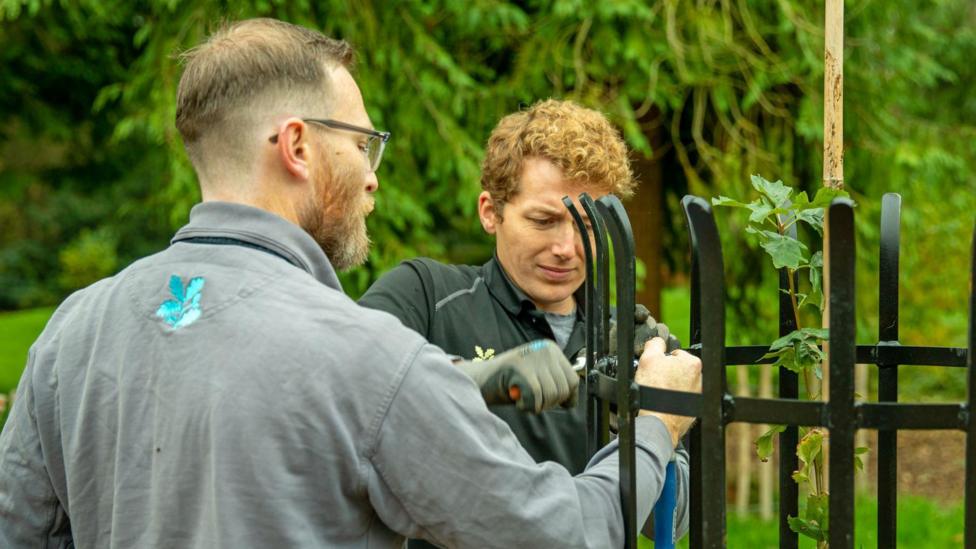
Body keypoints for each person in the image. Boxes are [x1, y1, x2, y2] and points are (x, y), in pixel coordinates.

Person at [0, 18, 702, 549]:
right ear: (298, 146)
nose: (372, 174)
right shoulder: (368, 355)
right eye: (362, 142)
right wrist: (656, 426)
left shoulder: (74, 331)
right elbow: (563, 533)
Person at [359, 99, 691, 541]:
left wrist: (644, 422)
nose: (567, 248)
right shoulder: (426, 295)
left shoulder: (627, 340)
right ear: (490, 212)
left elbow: (670, 522)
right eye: (544, 220)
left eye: (587, 226)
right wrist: (479, 378)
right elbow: (346, 382)